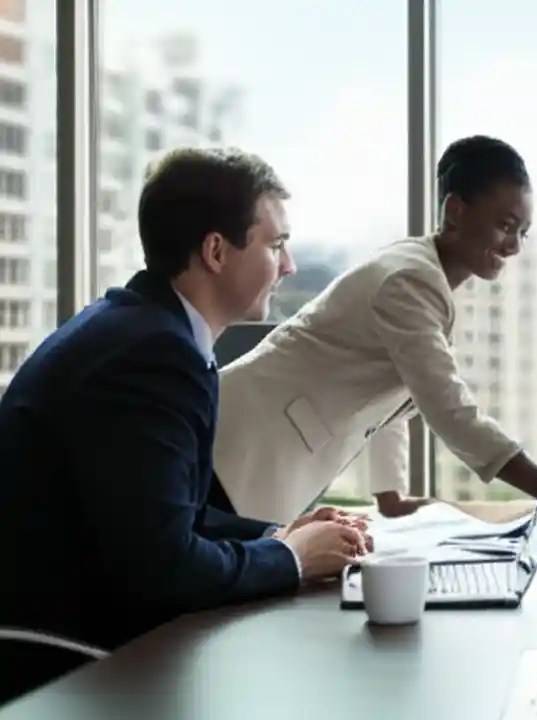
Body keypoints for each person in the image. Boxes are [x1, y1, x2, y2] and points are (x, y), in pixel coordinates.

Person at [0, 148, 373, 702]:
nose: (289, 265)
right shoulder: (150, 355)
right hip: (65, 656)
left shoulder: (146, 330)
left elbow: (171, 513)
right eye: (275, 245)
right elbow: (164, 568)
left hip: (90, 618)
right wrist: (293, 560)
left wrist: (279, 534)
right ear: (216, 251)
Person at [212, 135, 537, 556]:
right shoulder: (410, 281)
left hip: (252, 454)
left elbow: (384, 396)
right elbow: (452, 414)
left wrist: (389, 497)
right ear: (455, 211)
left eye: (523, 232)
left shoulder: (422, 277)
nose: (514, 245)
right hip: (233, 446)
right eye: (505, 225)